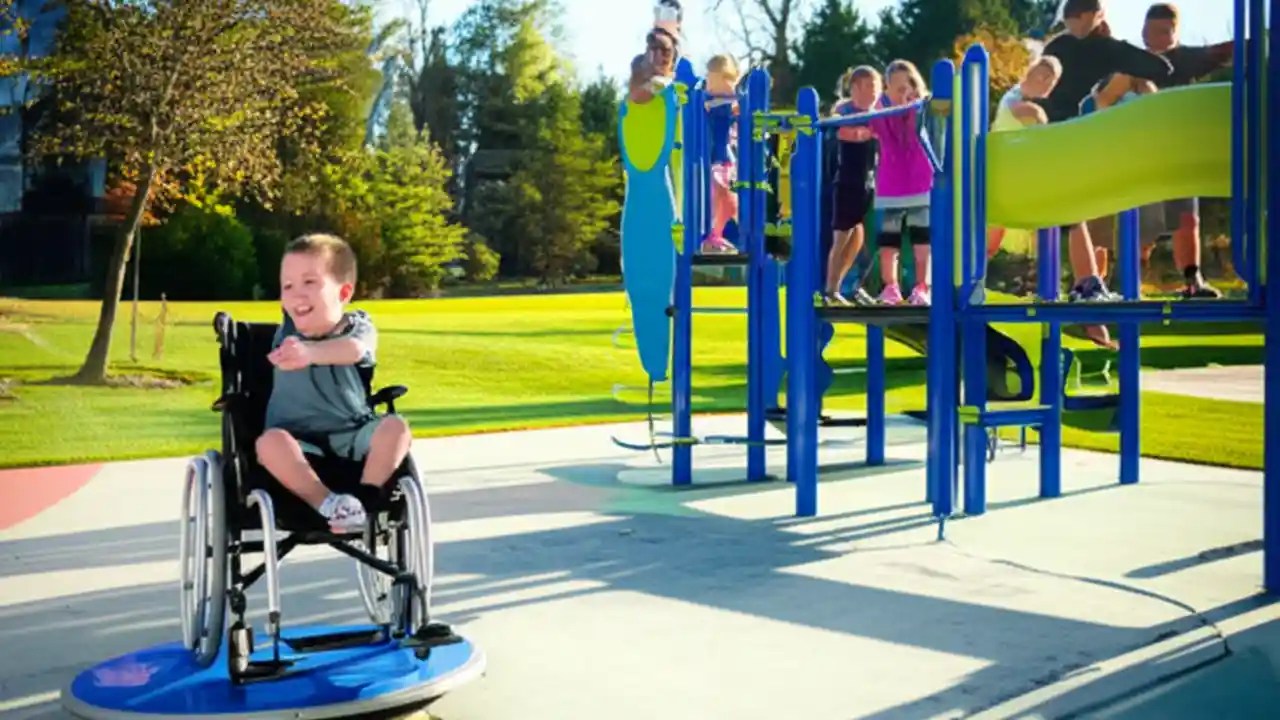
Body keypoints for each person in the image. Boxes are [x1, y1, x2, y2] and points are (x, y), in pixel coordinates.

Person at [255, 233, 412, 533]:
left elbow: (354, 350)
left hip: (352, 435)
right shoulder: (289, 329)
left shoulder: (359, 327)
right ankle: (329, 504)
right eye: (287, 286)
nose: (296, 295)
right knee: (269, 443)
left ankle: (366, 499)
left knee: (396, 427)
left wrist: (310, 354)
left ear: (343, 293)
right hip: (298, 442)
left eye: (310, 282)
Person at [1037, 0, 1174, 305]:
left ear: (1096, 15)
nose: (1073, 24)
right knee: (1065, 212)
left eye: (1078, 17)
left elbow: (1161, 68)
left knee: (1074, 212)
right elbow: (1039, 83)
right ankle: (1083, 282)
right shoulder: (1061, 45)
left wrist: (1125, 73)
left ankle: (1087, 282)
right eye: (1069, 18)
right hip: (1051, 130)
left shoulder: (1109, 48)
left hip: (1076, 132)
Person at [1139, 2, 1233, 298]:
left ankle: (1193, 281)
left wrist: (1259, 38)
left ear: (1175, 33)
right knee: (1144, 225)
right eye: (1155, 31)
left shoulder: (1187, 59)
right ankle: (1129, 281)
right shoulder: (1131, 61)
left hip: (1179, 153)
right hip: (1141, 154)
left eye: (1167, 31)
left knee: (1186, 220)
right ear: (1144, 32)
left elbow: (1224, 52)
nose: (1160, 37)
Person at [868, 59, 933, 305]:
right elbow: (873, 125)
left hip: (918, 179)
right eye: (897, 88)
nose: (903, 92)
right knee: (889, 238)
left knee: (921, 236)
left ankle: (922, 286)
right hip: (892, 181)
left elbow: (923, 130)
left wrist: (911, 103)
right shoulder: (882, 109)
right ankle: (890, 287)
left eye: (907, 85)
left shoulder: (922, 106)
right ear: (887, 88)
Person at [987, 55, 1063, 260]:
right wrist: (1038, 115)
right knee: (993, 234)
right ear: (1032, 74)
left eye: (1052, 80)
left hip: (1014, 173)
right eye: (1044, 77)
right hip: (1004, 174)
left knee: (1010, 232)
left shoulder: (1022, 100)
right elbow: (1021, 112)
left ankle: (1033, 276)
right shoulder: (1015, 98)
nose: (1048, 84)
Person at [824, 65, 882, 306]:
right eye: (869, 86)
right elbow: (842, 132)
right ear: (856, 87)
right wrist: (866, 133)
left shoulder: (876, 113)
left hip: (867, 184)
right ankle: (830, 289)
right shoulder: (845, 110)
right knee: (842, 237)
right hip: (847, 182)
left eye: (876, 87)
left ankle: (847, 286)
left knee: (860, 238)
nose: (874, 92)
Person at [703, 54, 741, 254]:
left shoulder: (731, 100)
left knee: (729, 201)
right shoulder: (710, 100)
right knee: (722, 196)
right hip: (716, 154)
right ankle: (712, 235)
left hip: (725, 155)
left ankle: (715, 234)